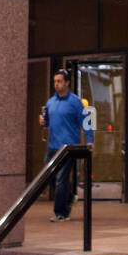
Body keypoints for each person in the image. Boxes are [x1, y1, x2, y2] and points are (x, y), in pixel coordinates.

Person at [39, 69, 93, 221]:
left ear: (67, 82)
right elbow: (48, 122)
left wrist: (90, 140)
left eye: (59, 81)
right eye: (55, 81)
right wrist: (43, 122)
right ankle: (69, 198)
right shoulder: (51, 102)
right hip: (52, 146)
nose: (56, 84)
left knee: (61, 179)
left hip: (68, 148)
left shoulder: (75, 102)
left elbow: (86, 121)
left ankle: (60, 213)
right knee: (48, 176)